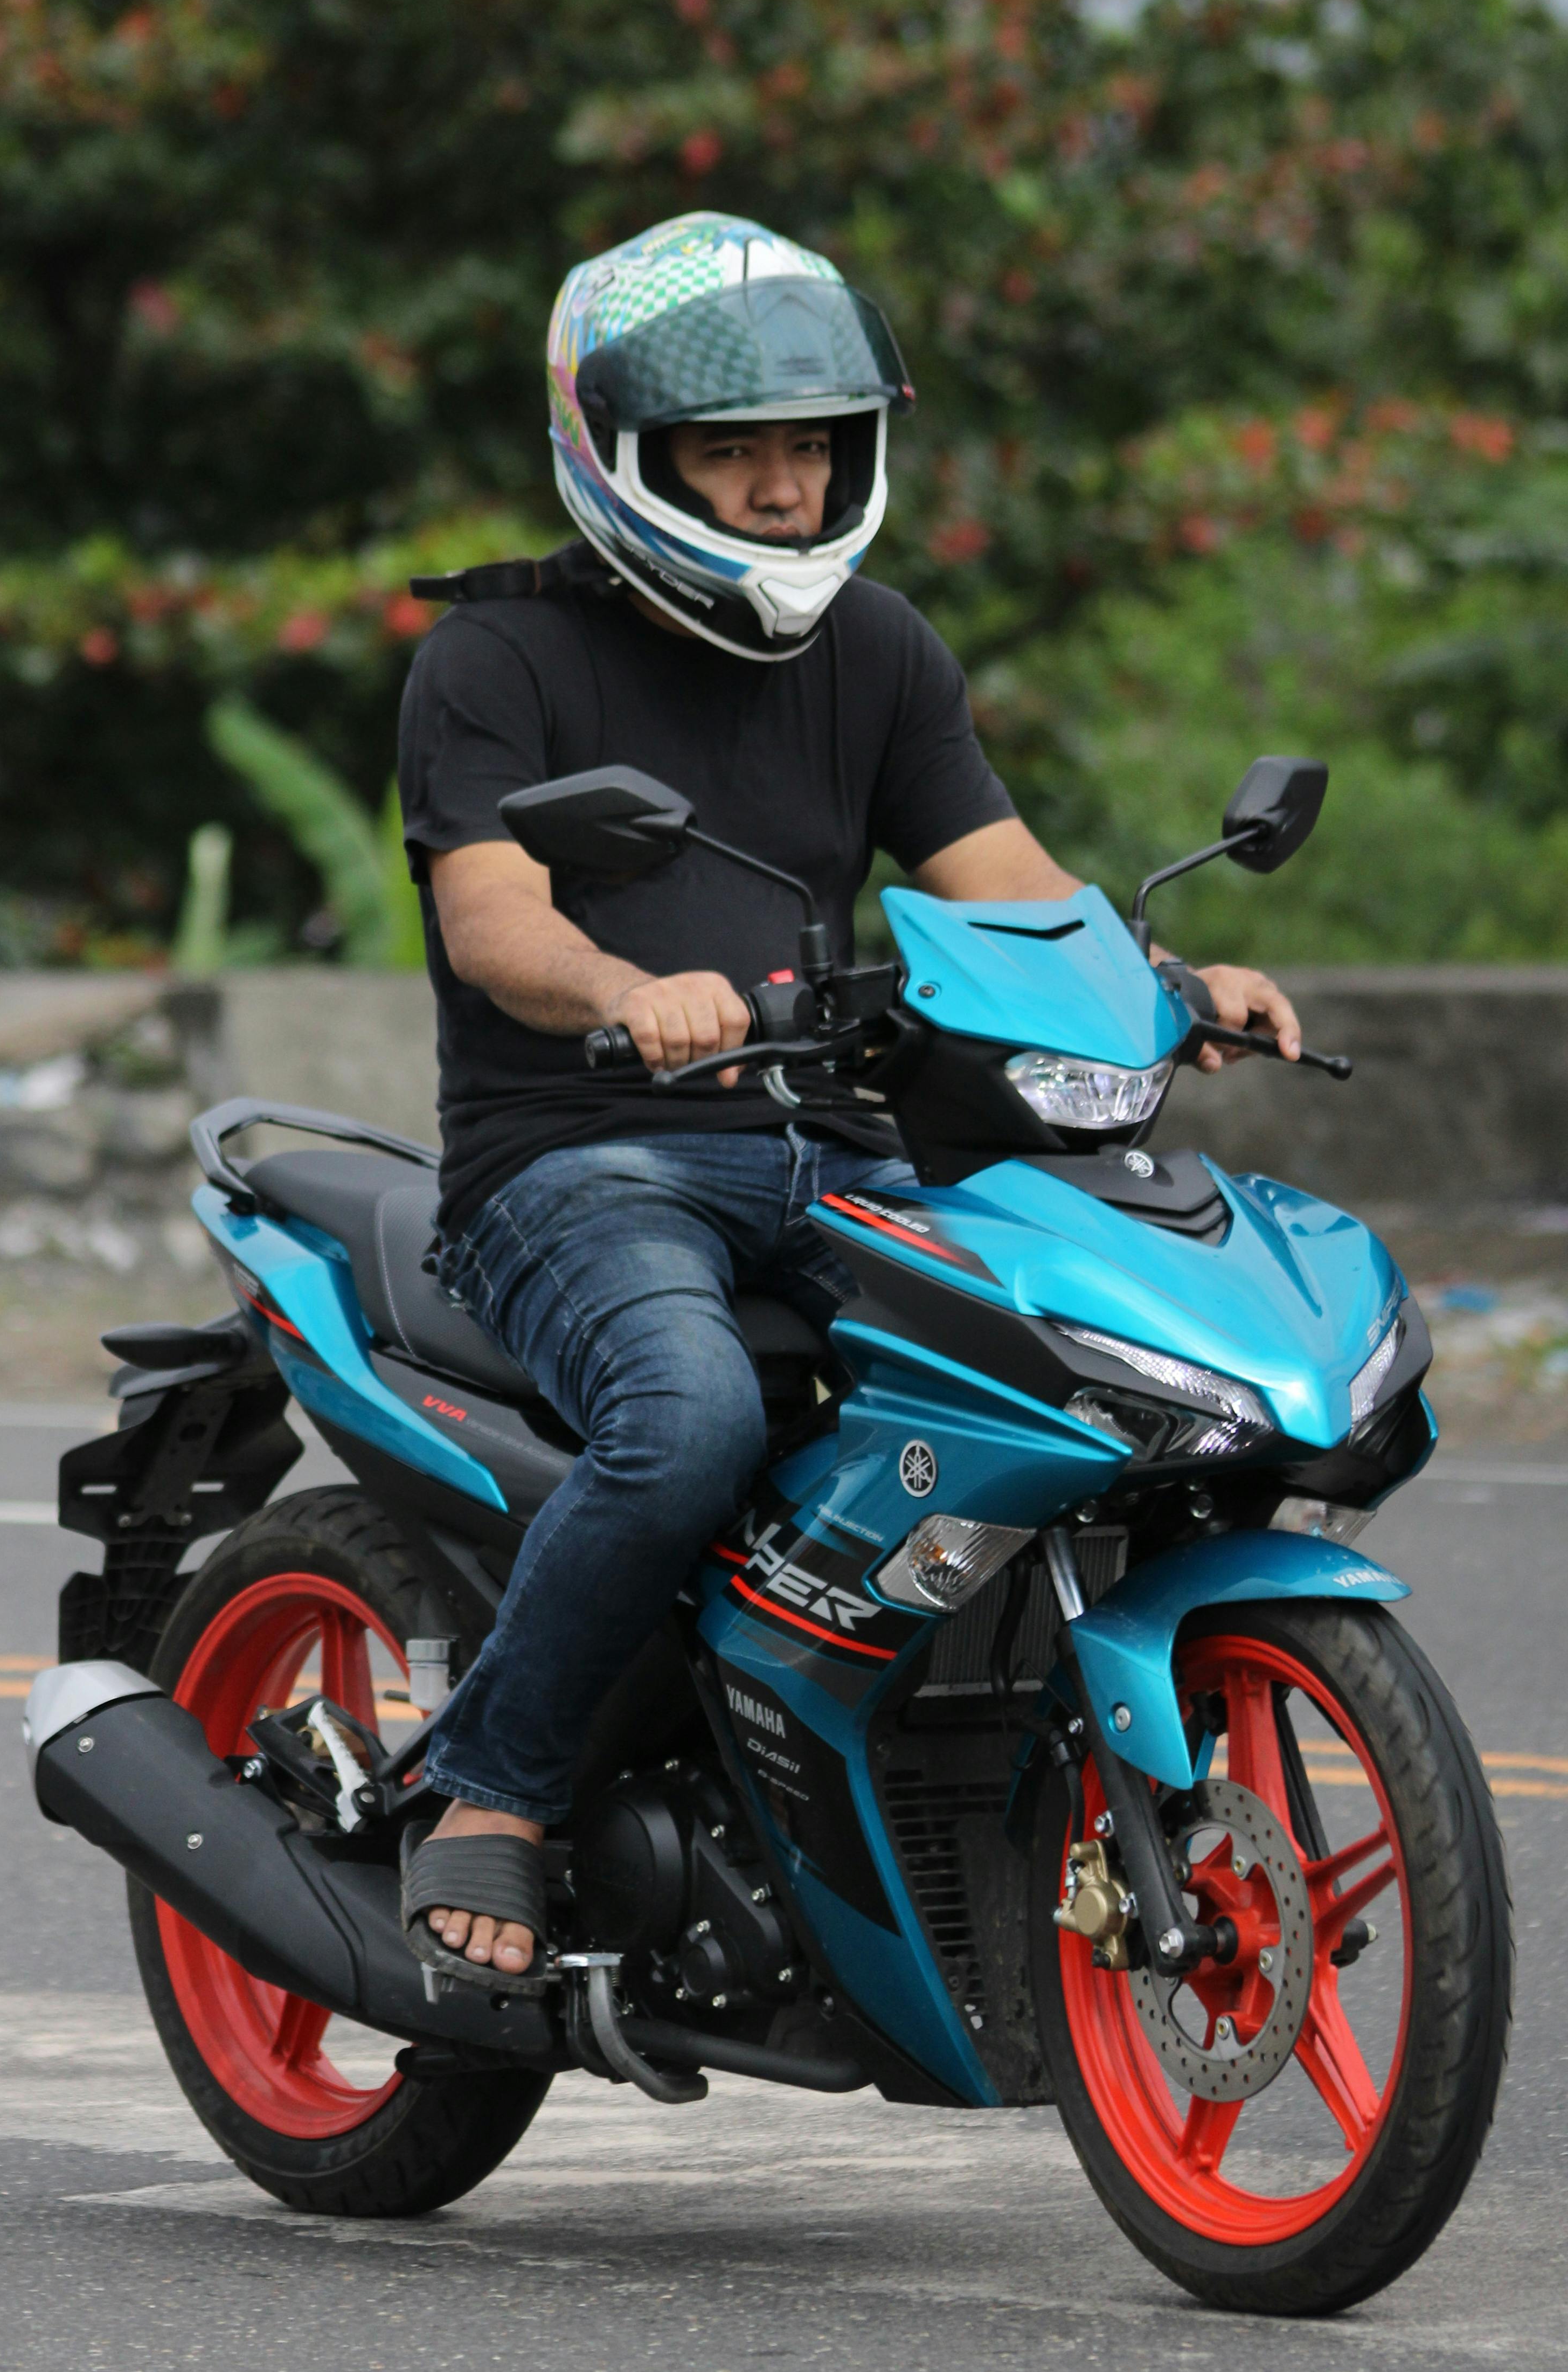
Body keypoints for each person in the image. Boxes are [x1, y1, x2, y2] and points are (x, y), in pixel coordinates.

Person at [394, 210, 1300, 1988]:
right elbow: (494, 920)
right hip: (577, 1161)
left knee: (1096, 1363)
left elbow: (1002, 881)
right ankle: (492, 1787)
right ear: (629, 456)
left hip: (846, 1141)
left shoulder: (875, 649)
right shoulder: (491, 661)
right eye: (733, 450)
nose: (781, 486)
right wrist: (626, 990)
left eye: (808, 444)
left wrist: (1162, 988)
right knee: (687, 1417)